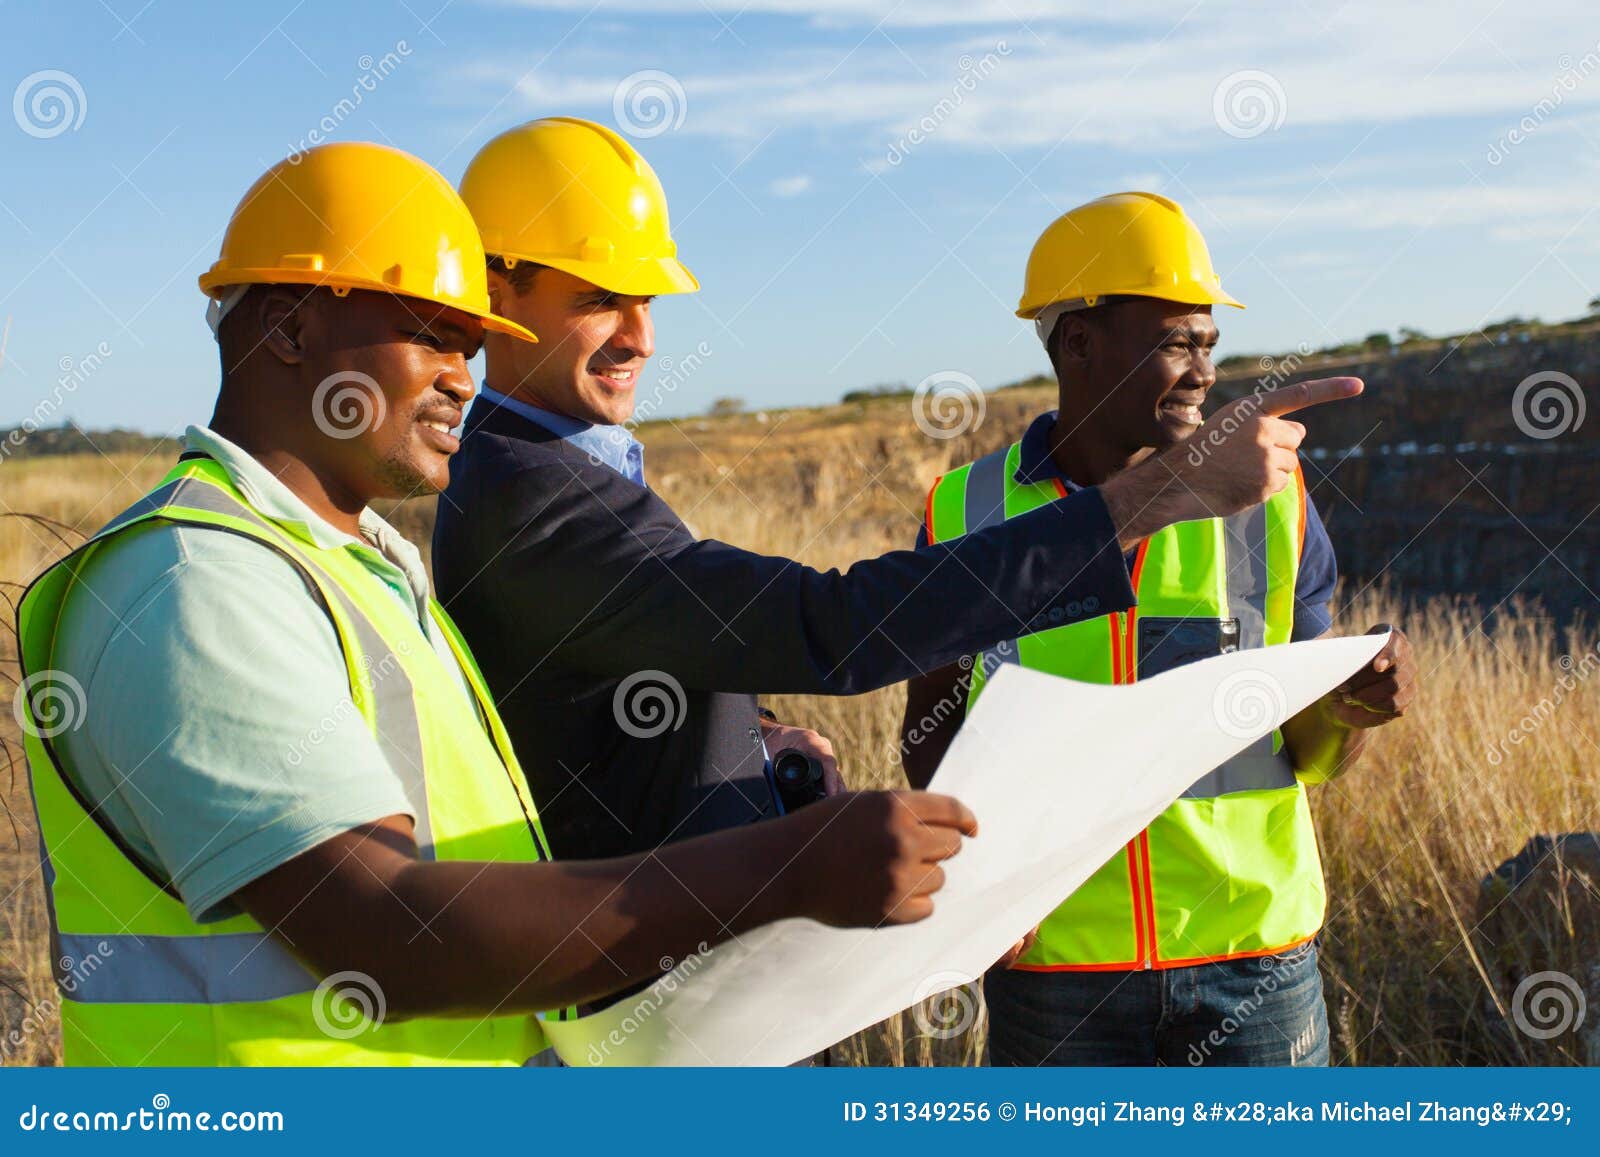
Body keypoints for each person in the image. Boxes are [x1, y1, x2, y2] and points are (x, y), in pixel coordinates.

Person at [14, 142, 980, 1067]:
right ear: (290, 328)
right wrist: (788, 869)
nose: (461, 379)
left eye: (471, 345)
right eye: (430, 334)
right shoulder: (203, 581)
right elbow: (387, 931)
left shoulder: (364, 568)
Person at [434, 117, 1361, 863]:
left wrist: (750, 735)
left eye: (650, 301)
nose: (642, 337)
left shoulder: (560, 469)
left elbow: (619, 667)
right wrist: (1155, 497)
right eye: (600, 297)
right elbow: (830, 628)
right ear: (496, 292)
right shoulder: (535, 499)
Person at [900, 191, 1418, 1067]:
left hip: (1252, 963)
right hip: (1057, 971)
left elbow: (1312, 753)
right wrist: (979, 894)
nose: (1205, 372)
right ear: (1079, 343)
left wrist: (1352, 708)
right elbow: (932, 734)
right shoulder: (965, 511)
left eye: (1210, 344)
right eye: (1178, 341)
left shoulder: (1276, 502)